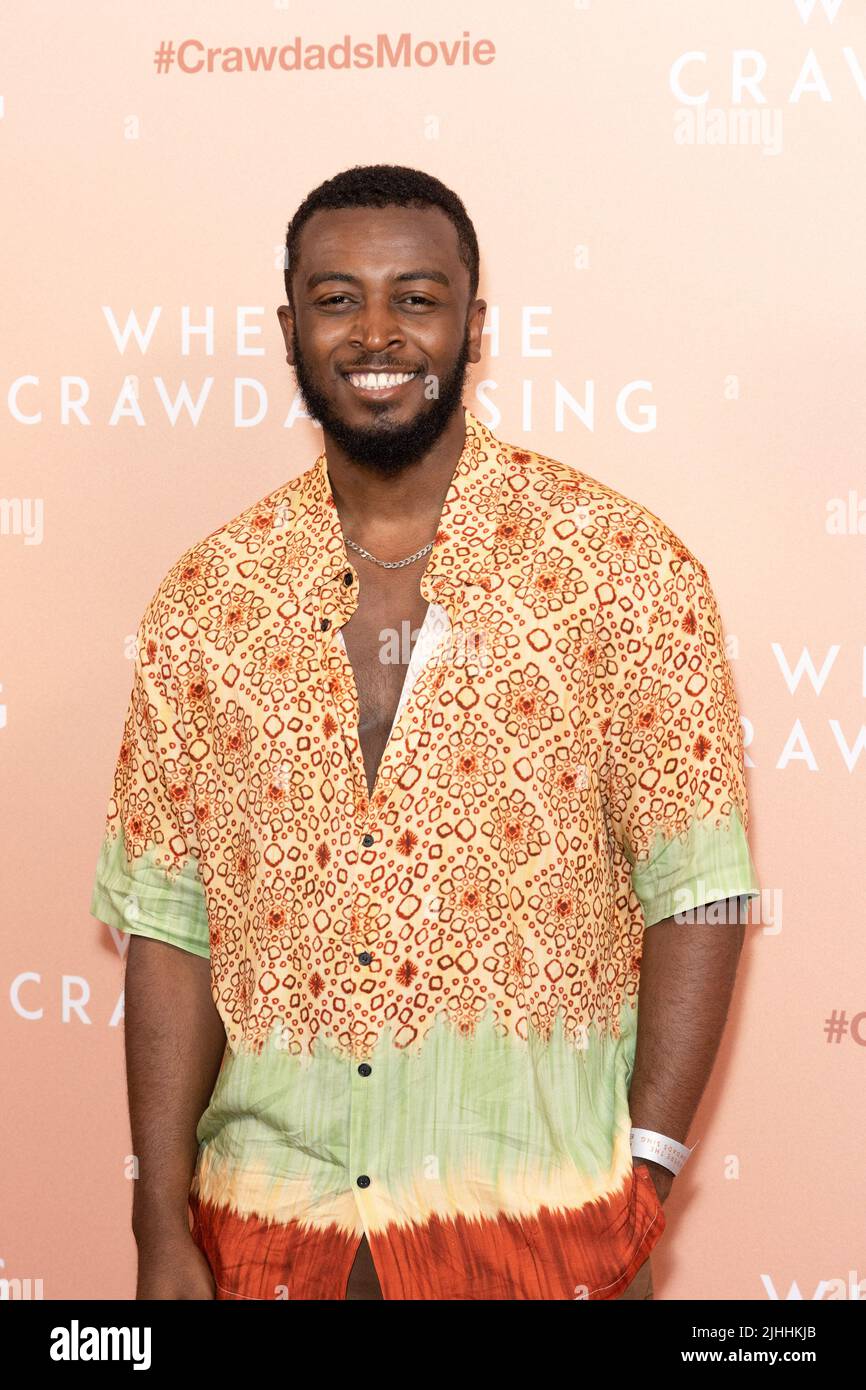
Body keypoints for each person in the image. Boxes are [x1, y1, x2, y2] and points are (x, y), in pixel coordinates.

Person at [90, 164, 760, 1301]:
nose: (376, 331)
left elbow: (698, 888)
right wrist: (161, 1224)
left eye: (416, 296)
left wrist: (641, 1175)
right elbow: (169, 929)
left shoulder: (622, 569)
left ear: (474, 324)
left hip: (543, 1237)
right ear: (289, 325)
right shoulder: (206, 599)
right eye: (337, 296)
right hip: (265, 1234)